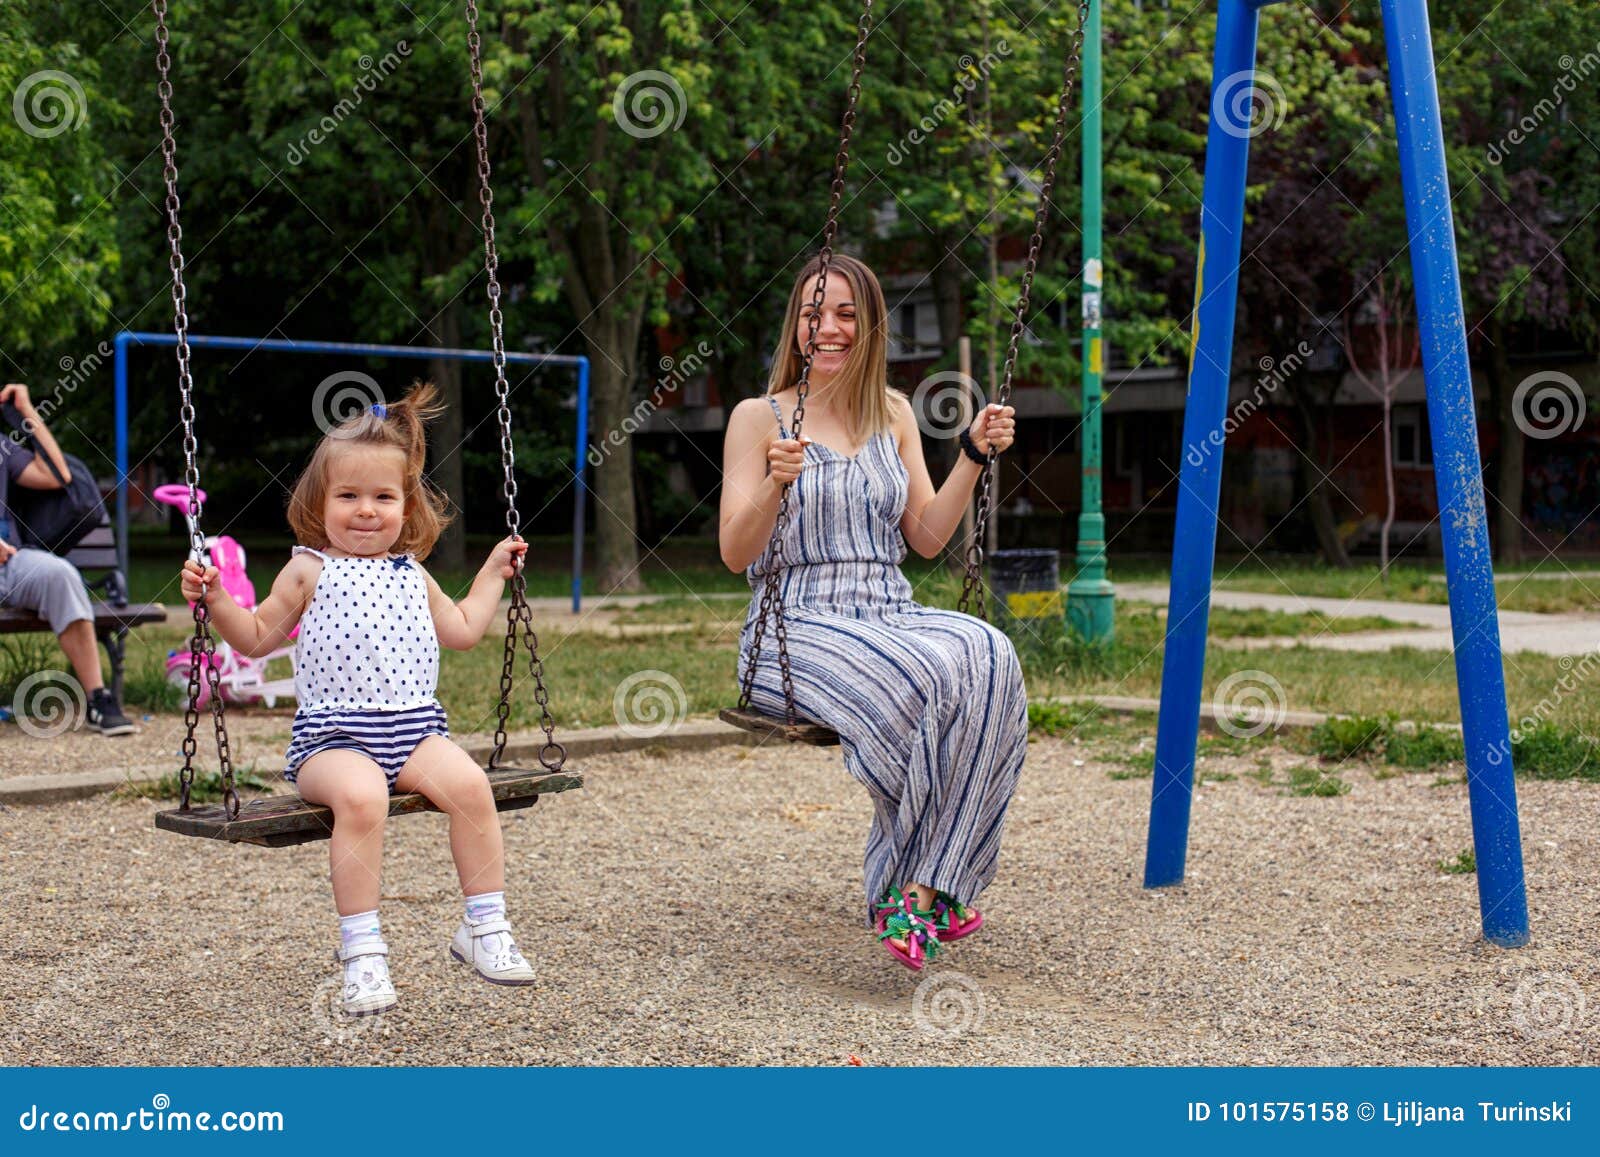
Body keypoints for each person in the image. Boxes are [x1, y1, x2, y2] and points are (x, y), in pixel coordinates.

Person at [180, 382, 535, 1015]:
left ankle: (483, 927)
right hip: (332, 741)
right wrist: (215, 601)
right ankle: (363, 951)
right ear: (321, 503)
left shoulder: (412, 572)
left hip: (414, 733)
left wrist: (490, 575)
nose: (366, 510)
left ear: (406, 505)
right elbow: (256, 637)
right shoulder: (308, 570)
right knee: (364, 797)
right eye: (348, 496)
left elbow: (462, 632)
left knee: (473, 787)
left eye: (382, 496)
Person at [718, 254, 1027, 972]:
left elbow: (923, 536)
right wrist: (771, 484)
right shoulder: (755, 417)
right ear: (795, 325)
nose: (826, 328)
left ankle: (924, 886)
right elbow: (736, 552)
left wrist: (973, 455)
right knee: (923, 676)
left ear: (870, 325)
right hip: (793, 625)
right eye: (811, 313)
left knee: (991, 654)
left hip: (887, 605)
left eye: (846, 314)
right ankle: (907, 887)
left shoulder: (891, 412)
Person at [0, 382, 133, 736]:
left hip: (9, 563)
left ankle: (98, 700)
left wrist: (27, 414)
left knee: (60, 574)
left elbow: (57, 477)